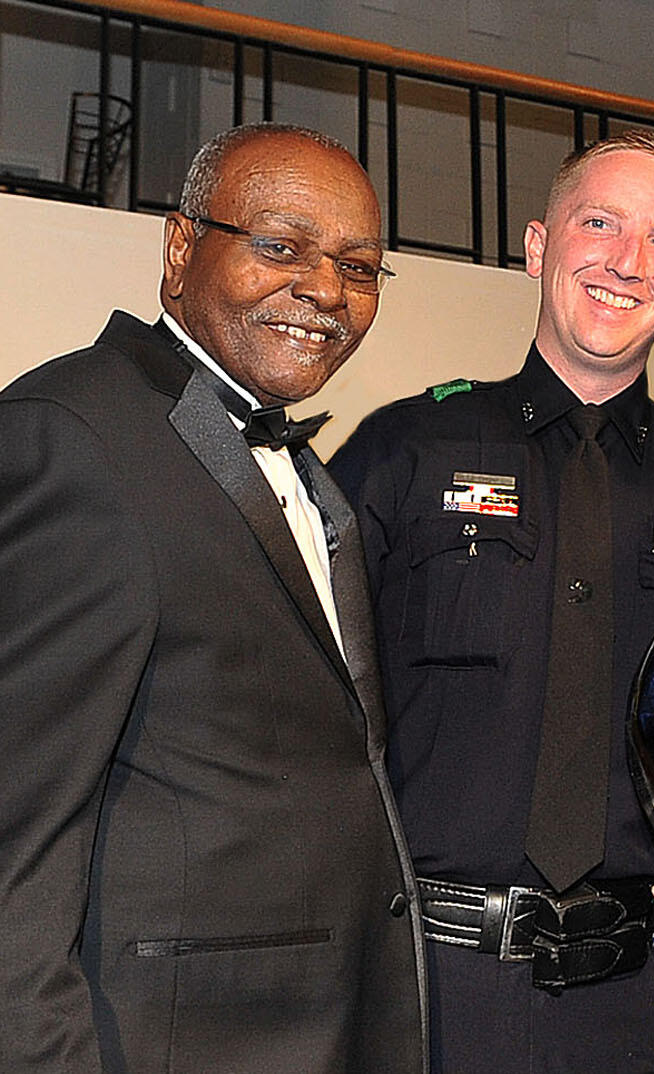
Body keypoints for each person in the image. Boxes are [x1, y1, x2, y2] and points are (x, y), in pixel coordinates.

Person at [329, 130, 654, 1074]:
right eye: (599, 223)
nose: (627, 262)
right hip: (415, 993)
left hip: (625, 1006)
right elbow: (309, 711)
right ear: (538, 246)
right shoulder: (400, 454)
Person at [0, 123, 427, 1073]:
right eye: (279, 246)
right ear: (182, 247)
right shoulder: (73, 436)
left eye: (360, 269)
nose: (325, 291)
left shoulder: (303, 474)